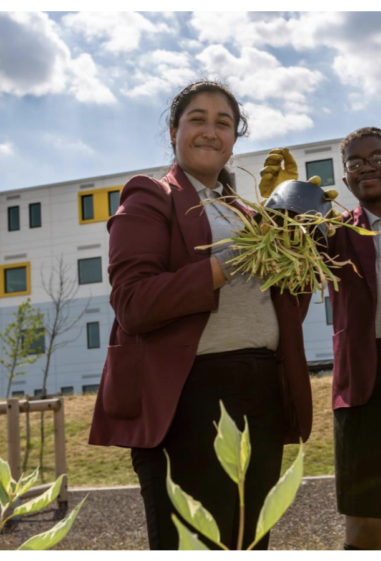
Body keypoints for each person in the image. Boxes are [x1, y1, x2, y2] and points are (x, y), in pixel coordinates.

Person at [87, 80, 314, 550]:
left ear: (235, 138)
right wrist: (219, 266)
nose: (211, 131)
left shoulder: (247, 213)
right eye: (197, 119)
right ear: (173, 131)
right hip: (189, 399)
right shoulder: (151, 195)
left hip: (260, 397)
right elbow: (133, 302)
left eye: (224, 123)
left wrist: (295, 230)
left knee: (248, 543)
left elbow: (285, 305)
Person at [260, 129, 381, 550]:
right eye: (354, 163)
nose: (367, 166)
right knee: (365, 521)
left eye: (378, 158)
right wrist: (286, 198)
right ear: (344, 181)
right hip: (364, 385)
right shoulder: (332, 234)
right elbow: (286, 255)